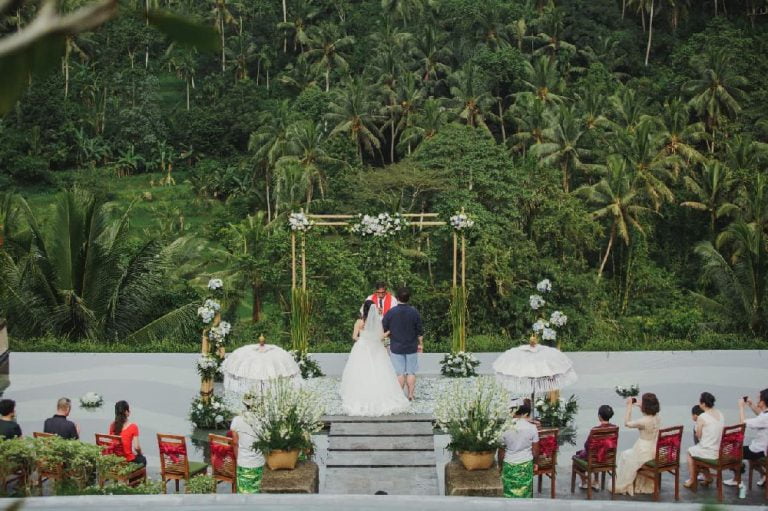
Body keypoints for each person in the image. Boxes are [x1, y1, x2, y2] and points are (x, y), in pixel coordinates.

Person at [340, 300, 410, 416]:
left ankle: (360, 394)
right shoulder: (377, 322)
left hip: (362, 348)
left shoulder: (359, 322)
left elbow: (354, 337)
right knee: (379, 371)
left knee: (360, 371)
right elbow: (381, 337)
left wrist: (363, 340)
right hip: (376, 349)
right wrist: (388, 332)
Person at [614, 393, 661, 495]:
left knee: (624, 455)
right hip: (653, 449)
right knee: (628, 454)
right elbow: (649, 414)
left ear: (646, 406)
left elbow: (627, 423)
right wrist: (641, 406)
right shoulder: (657, 417)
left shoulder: (643, 421)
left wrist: (629, 406)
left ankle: (624, 483)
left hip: (642, 451)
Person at [382, 287, 423, 401]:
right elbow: (419, 330)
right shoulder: (414, 312)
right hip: (411, 346)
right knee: (411, 372)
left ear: (397, 298)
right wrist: (421, 344)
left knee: (399, 373)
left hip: (396, 346)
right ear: (408, 298)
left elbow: (384, 327)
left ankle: (400, 396)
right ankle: (410, 394)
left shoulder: (391, 312)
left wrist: (390, 333)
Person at [724, 388, 768, 487]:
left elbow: (742, 424)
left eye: (759, 398)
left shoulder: (765, 418)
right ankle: (764, 474)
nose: (757, 399)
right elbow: (760, 414)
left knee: (731, 452)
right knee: (750, 456)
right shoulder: (765, 415)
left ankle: (737, 479)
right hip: (763, 448)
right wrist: (751, 404)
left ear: (763, 402)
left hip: (759, 450)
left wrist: (741, 407)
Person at [498, 401, 539, 498]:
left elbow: (501, 452)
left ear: (512, 412)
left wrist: (500, 466)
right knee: (526, 494)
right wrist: (536, 463)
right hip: (526, 465)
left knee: (509, 494)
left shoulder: (504, 428)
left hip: (509, 464)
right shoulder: (532, 428)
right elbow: (535, 451)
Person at [684, 392, 723, 488]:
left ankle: (692, 479)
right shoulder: (720, 413)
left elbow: (698, 435)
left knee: (690, 452)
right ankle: (708, 477)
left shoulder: (702, 417)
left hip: (710, 451)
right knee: (698, 450)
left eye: (700, 402)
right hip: (720, 450)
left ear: (704, 404)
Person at [574, 404, 615, 490]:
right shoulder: (614, 428)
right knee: (598, 452)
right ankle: (596, 482)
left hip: (594, 460)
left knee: (578, 459)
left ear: (599, 416)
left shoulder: (595, 430)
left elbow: (587, 445)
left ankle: (584, 482)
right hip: (608, 459)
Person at [230, 407, 264, 494]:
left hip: (243, 462)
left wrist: (239, 458)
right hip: (259, 462)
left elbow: (235, 443)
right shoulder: (263, 419)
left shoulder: (237, 420)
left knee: (243, 493)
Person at [109, 400, 146, 466]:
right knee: (143, 459)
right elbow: (136, 447)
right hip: (127, 460)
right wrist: (140, 453)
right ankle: (136, 476)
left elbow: (111, 443)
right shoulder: (133, 427)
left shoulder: (112, 425)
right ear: (126, 412)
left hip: (115, 459)